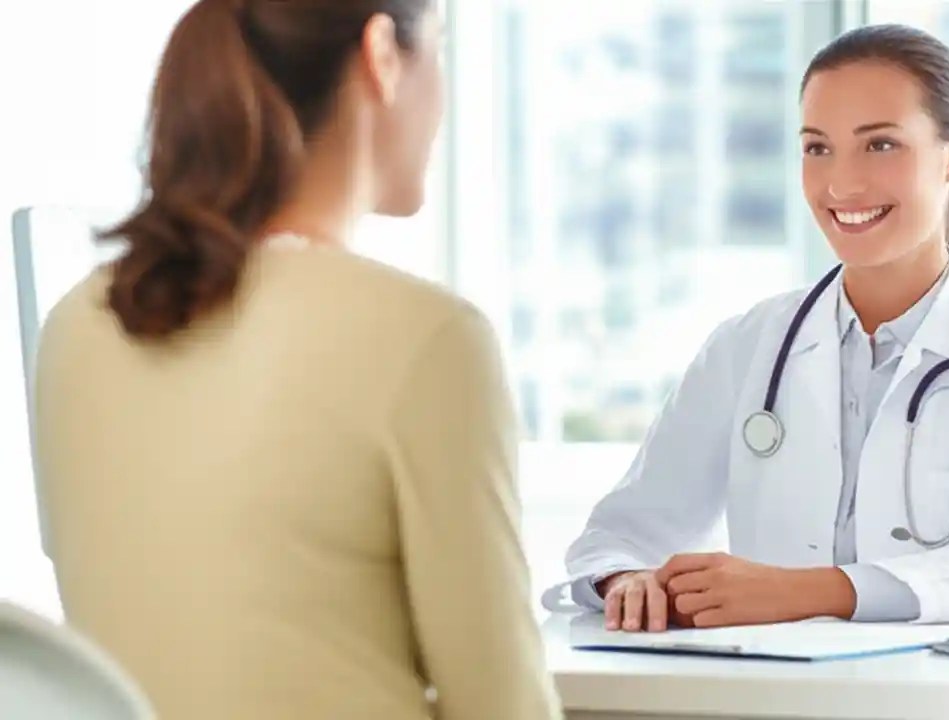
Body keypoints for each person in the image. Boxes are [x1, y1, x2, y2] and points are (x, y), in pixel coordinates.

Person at [34, 1, 561, 718]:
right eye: (437, 48)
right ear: (380, 54)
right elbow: (504, 707)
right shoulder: (427, 338)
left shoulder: (76, 325)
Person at [555, 24, 949, 632]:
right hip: (773, 692)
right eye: (818, 148)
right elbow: (618, 536)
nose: (841, 185)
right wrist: (626, 579)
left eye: (881, 145)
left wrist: (815, 592)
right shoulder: (748, 345)